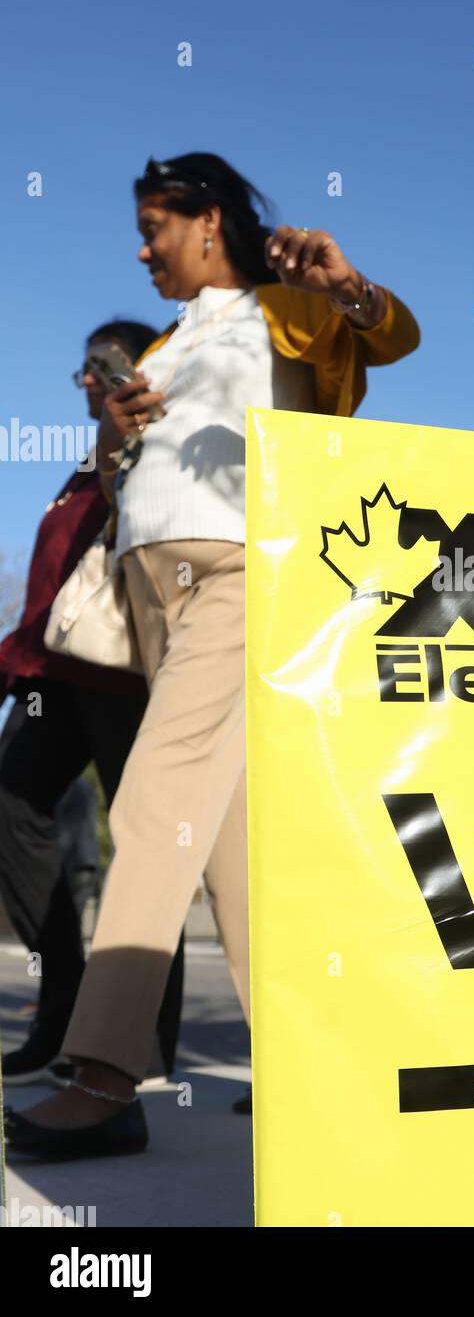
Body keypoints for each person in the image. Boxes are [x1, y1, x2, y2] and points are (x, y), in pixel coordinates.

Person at [5, 153, 420, 1158]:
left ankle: (105, 1073)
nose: (143, 247)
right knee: (227, 849)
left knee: (149, 800)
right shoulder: (164, 341)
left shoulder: (285, 307)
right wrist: (119, 429)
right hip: (154, 600)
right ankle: (312, 1064)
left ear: (209, 222)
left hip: (244, 573)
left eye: (156, 224)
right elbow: (120, 480)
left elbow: (392, 340)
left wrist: (347, 287)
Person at [0, 321, 185, 1087]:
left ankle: (134, 1052)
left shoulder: (156, 444)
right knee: (11, 805)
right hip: (51, 673)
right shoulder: (77, 470)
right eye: (83, 368)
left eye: (100, 366)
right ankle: (64, 1001)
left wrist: (130, 439)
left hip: (126, 675)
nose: (85, 380)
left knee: (147, 846)